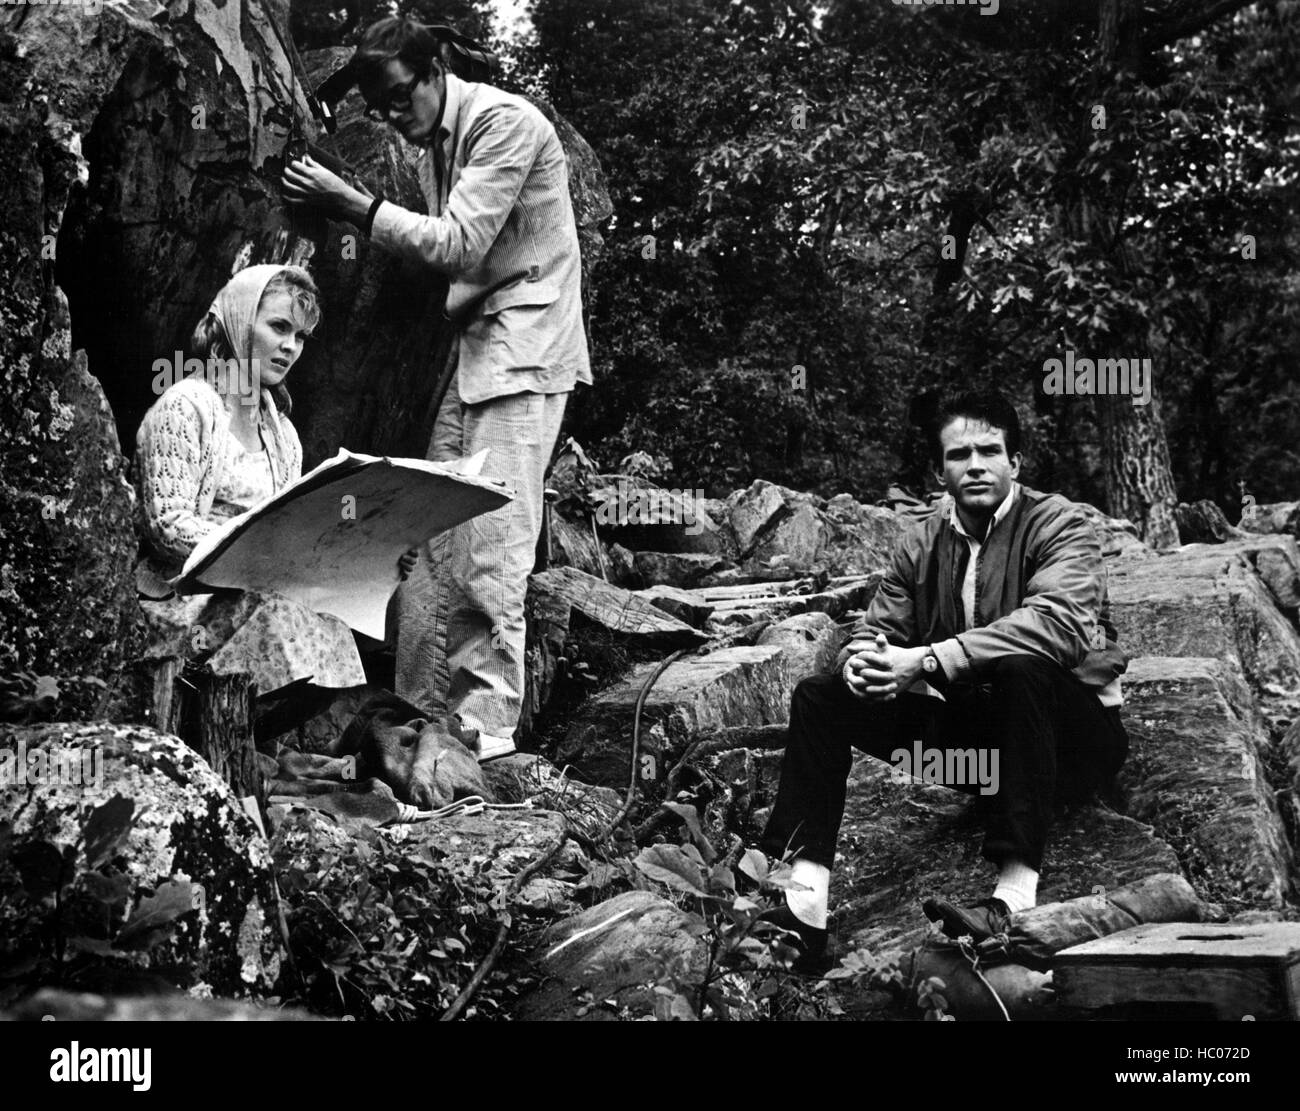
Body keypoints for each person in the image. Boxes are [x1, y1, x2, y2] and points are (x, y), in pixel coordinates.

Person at [280, 16, 590, 762]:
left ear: (434, 71)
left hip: (525, 353)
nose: (390, 118)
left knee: (494, 544)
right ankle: (423, 714)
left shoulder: (504, 123)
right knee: (431, 534)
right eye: (376, 107)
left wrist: (350, 202)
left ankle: (487, 727)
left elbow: (457, 244)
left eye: (396, 98)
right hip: (477, 350)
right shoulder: (436, 146)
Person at [757, 389, 1129, 971]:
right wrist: (865, 663)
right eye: (960, 455)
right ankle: (801, 907)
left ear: (1016, 462)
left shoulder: (1062, 524)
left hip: (1072, 752)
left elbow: (1058, 626)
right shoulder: (922, 540)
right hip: (985, 764)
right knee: (819, 698)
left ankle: (1011, 898)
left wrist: (926, 660)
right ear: (941, 470)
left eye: (990, 451)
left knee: (1022, 663)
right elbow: (878, 628)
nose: (975, 465)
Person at [134, 263, 414, 742]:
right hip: (181, 601)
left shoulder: (283, 435)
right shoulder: (188, 404)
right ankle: (198, 729)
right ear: (242, 322)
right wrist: (251, 545)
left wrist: (378, 553)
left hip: (255, 593)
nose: (290, 346)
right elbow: (166, 524)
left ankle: (237, 741)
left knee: (330, 624)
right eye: (279, 327)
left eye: (301, 336)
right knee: (284, 617)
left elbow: (298, 529)